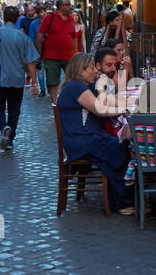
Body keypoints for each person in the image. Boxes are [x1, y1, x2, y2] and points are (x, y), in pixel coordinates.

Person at [55, 54, 135, 215]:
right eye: (91, 68)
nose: (95, 70)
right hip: (81, 141)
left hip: (84, 138)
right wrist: (127, 109)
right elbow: (100, 109)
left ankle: (122, 200)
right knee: (121, 148)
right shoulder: (75, 87)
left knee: (119, 145)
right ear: (81, 71)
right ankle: (121, 203)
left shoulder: (79, 86)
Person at [0, 5, 41, 149]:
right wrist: (35, 83)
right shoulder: (22, 37)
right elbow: (30, 62)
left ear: (4, 18)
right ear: (18, 18)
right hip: (17, 79)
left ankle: (3, 126)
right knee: (14, 109)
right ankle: (10, 139)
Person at [37, 0, 85, 105]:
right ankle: (55, 105)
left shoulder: (70, 19)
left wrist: (76, 54)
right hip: (52, 57)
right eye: (68, 5)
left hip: (69, 56)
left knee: (73, 79)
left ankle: (72, 101)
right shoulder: (50, 17)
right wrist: (39, 54)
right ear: (61, 6)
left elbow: (73, 37)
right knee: (53, 82)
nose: (70, 7)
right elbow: (40, 35)